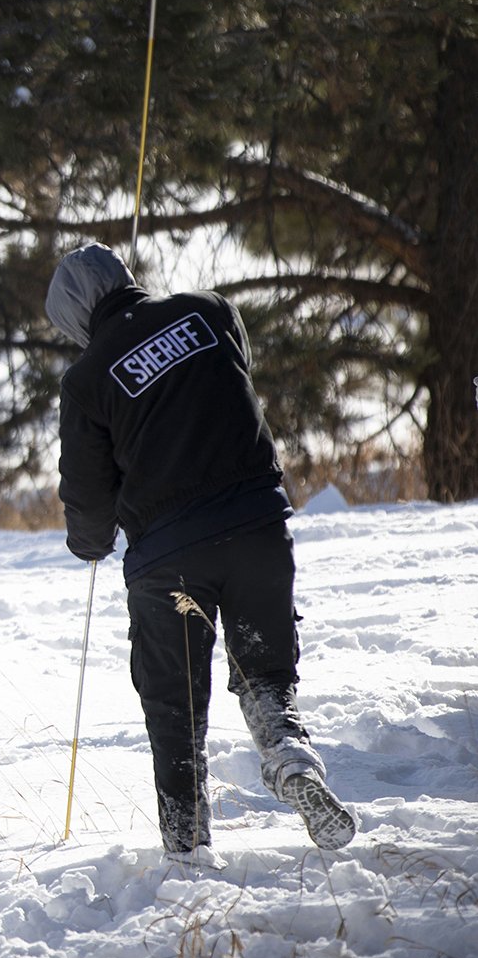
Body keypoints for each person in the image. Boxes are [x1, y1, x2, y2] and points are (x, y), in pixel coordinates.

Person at [47, 243, 357, 859]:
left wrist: (90, 544)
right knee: (265, 673)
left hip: (170, 562)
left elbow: (87, 495)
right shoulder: (211, 311)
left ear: (74, 316)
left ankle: (187, 847)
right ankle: (290, 755)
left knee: (175, 706)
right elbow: (228, 378)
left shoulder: (85, 382)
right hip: (259, 528)